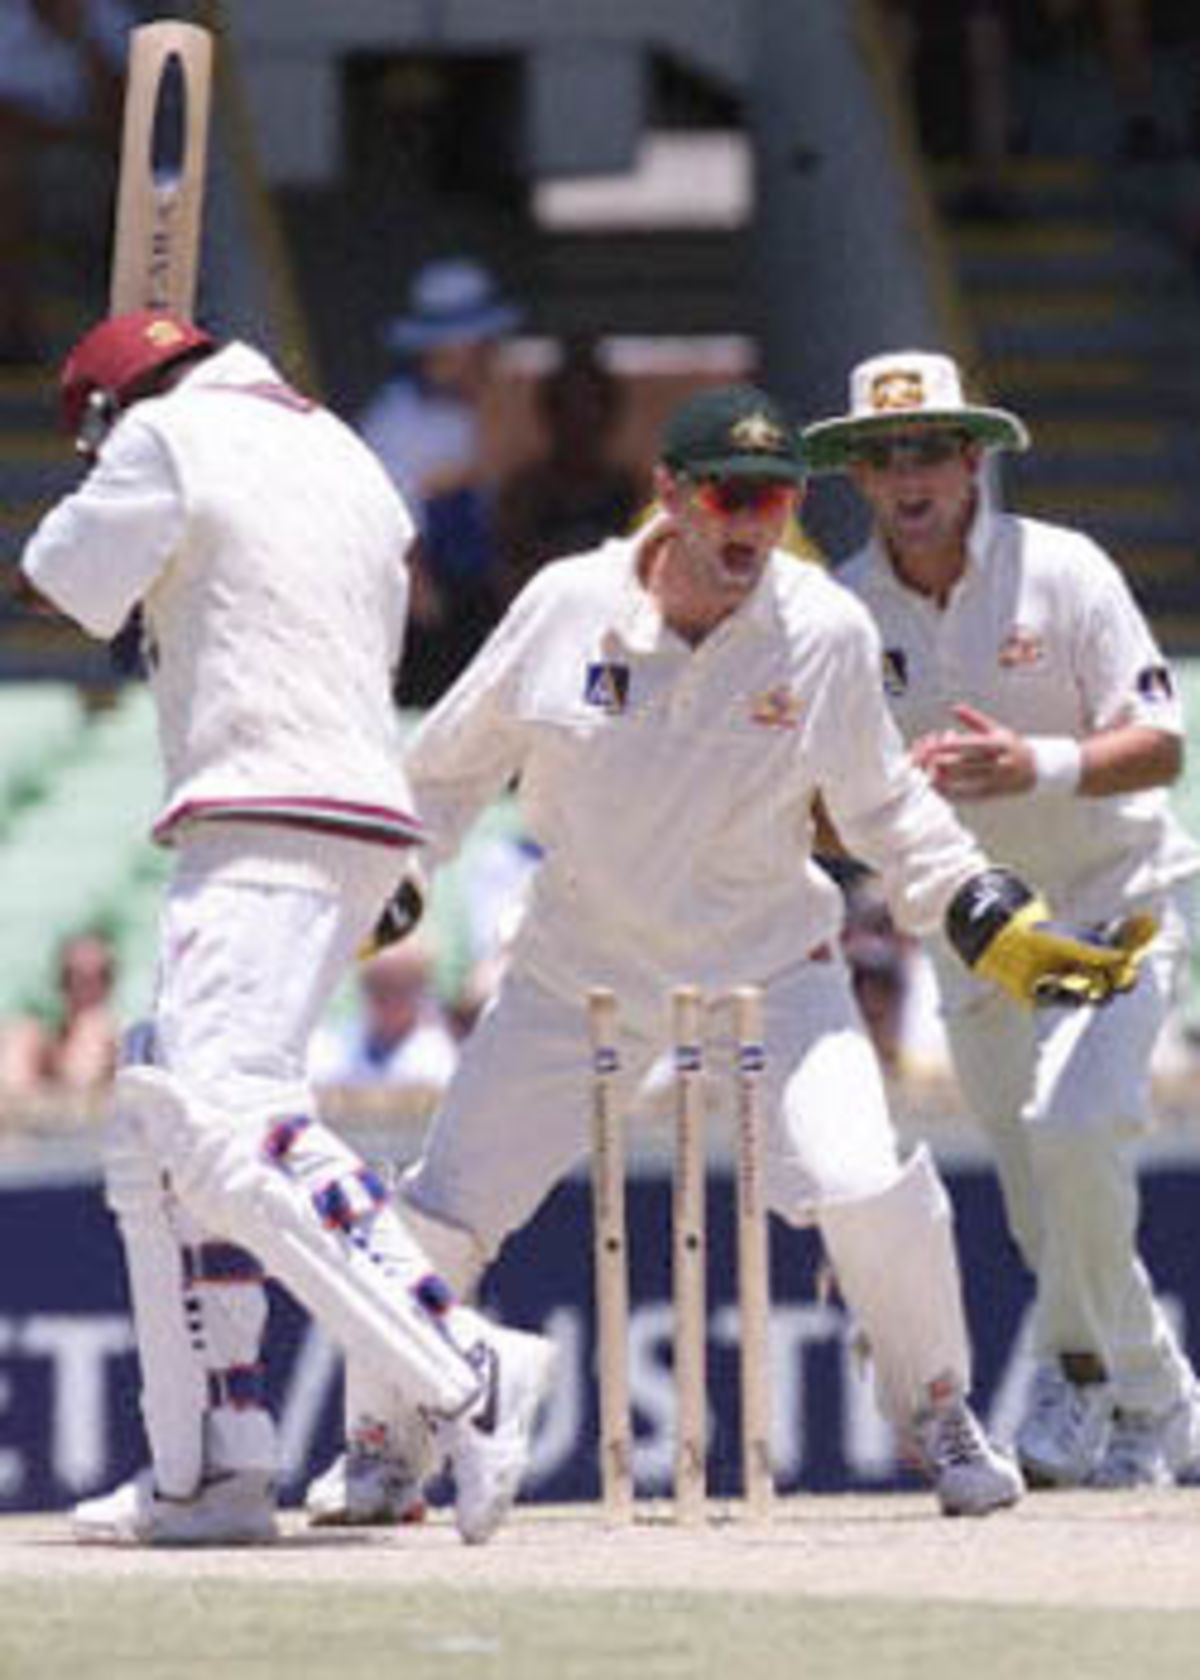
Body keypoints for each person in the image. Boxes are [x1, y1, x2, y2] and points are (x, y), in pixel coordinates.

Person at [301, 382, 1150, 1528]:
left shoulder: (823, 629)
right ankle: (383, 1444)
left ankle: (938, 1411)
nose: (753, 523)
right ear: (673, 498)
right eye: (731, 496)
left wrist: (993, 918)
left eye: (776, 497)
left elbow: (889, 813)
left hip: (771, 968)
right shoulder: (567, 606)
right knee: (447, 1202)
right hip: (579, 965)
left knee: (869, 1187)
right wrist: (393, 889)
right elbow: (447, 769)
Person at [17, 308, 553, 1547]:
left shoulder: (162, 443)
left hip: (261, 804)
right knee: (163, 1123)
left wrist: (109, 474)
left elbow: (56, 580)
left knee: (216, 1126)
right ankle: (213, 1464)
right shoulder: (346, 452)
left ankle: (463, 1365)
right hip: (363, 809)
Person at [804, 347, 1200, 1489]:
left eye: (929, 447)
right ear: (860, 476)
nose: (909, 473)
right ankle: (1152, 1398)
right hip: (973, 932)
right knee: (1038, 1195)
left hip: (1109, 907)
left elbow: (1161, 742)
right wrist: (888, 814)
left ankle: (1089, 1380)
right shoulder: (841, 609)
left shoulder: (1063, 570)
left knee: (1077, 1130)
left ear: (972, 457)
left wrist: (1034, 763)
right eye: (883, 456)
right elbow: (820, 814)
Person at [357, 255, 521, 705]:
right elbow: (392, 536)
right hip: (426, 621)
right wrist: (435, 629)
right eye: (483, 345)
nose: (492, 354)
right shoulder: (397, 422)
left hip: (473, 606)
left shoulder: (475, 411)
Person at [0, 0, 129, 363]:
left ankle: (14, 330)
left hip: (75, 156)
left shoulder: (103, 18)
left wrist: (80, 40)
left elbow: (124, 119)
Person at [495, 336, 642, 601]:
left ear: (609, 415)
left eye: (591, 407)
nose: (580, 420)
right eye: (570, 407)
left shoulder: (627, 490)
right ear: (550, 413)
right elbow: (509, 572)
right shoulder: (525, 492)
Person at [309, 936, 459, 1092]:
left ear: (418, 994)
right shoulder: (332, 1048)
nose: (388, 1002)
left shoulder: (437, 1061)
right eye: (377, 989)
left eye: (399, 990)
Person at [0, 928, 119, 1095]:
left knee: (93, 1029)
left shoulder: (109, 1037)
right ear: (60, 982)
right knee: (22, 1034)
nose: (86, 988)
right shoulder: (37, 1042)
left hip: (89, 1101)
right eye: (73, 977)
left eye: (100, 977)